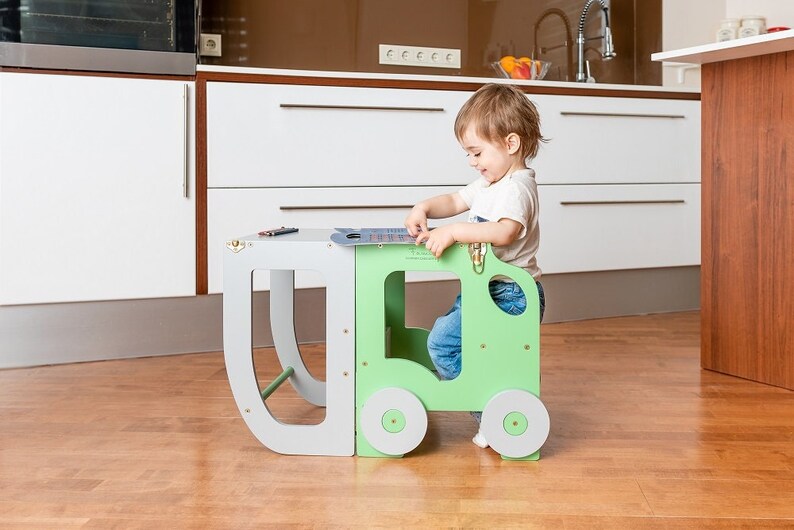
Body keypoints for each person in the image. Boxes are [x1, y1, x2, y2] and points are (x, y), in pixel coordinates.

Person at [403, 82, 546, 449]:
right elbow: (455, 198)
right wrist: (424, 208)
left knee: (443, 345)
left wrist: (453, 231)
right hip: (486, 289)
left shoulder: (516, 187)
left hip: (510, 294)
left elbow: (504, 233)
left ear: (510, 144)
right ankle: (497, 411)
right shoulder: (491, 182)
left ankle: (491, 418)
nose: (472, 162)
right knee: (469, 350)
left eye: (477, 152)